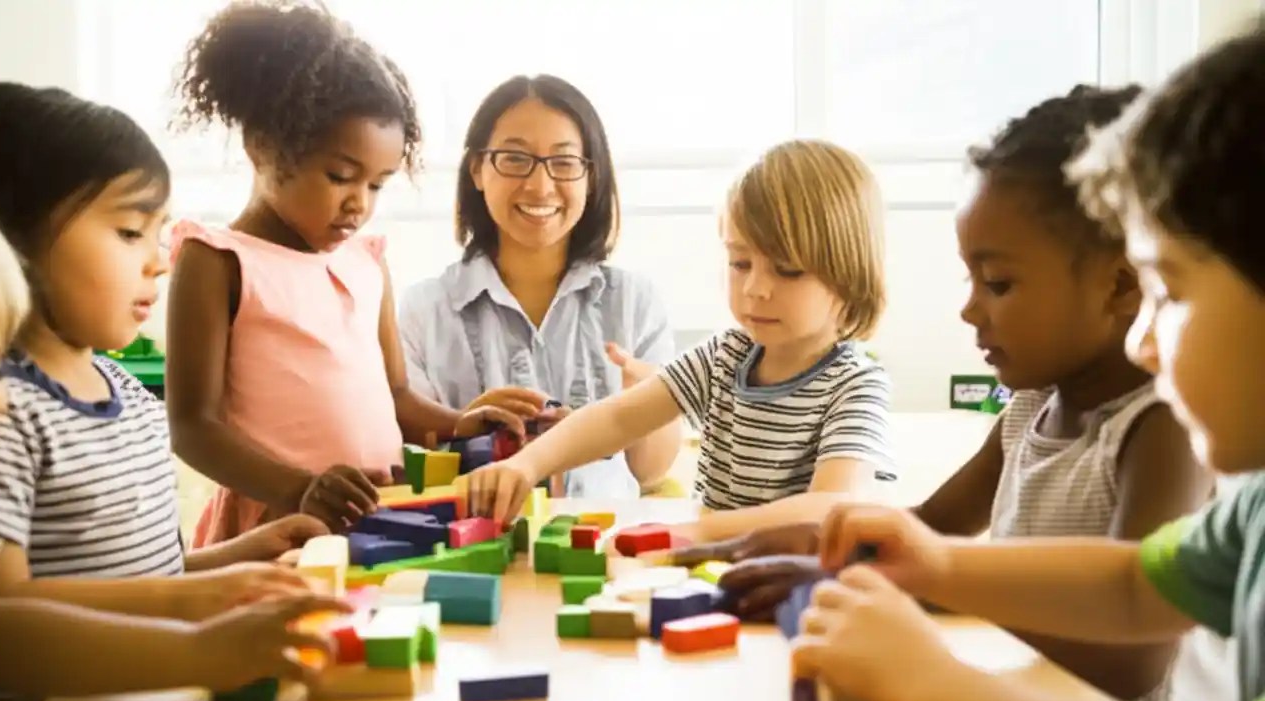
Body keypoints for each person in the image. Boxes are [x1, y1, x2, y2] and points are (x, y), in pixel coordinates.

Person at [673, 84, 1212, 701]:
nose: (968, 308)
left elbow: (1131, 655)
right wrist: (824, 552)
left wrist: (908, 606)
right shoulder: (1032, 409)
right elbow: (928, 531)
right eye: (970, 278)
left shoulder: (1163, 428)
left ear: (1119, 286)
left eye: (999, 283)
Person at [798, 29, 1265, 701]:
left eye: (1168, 293)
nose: (1144, 343)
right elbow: (1133, 590)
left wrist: (934, 680)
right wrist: (936, 564)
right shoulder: (1250, 512)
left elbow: (1132, 660)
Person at [0, 87, 336, 701]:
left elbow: (145, 575)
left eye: (160, 234)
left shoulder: (132, 399)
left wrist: (240, 560)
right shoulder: (3, 414)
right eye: (128, 232)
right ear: (10, 238)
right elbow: (5, 616)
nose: (160, 262)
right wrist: (195, 625)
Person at [165, 0, 524, 546]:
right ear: (262, 147)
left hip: (381, 520)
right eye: (340, 176)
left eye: (377, 184)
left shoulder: (366, 262)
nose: (359, 204)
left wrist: (458, 424)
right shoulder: (217, 261)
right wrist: (301, 488)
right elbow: (192, 428)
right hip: (279, 527)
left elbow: (397, 395)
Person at [463, 139, 895, 542]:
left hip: (795, 579)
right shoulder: (727, 355)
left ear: (848, 274)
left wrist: (699, 531)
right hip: (713, 568)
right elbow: (617, 419)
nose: (755, 289)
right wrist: (527, 463)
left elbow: (832, 507)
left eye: (787, 270)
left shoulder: (856, 385)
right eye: (740, 262)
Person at [398, 74, 680, 499]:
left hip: (607, 547)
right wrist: (464, 429)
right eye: (514, 158)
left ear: (591, 176)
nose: (540, 185)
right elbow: (410, 468)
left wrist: (640, 407)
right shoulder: (424, 310)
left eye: (564, 162)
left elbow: (649, 475)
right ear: (477, 168)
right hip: (468, 552)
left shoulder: (635, 303)